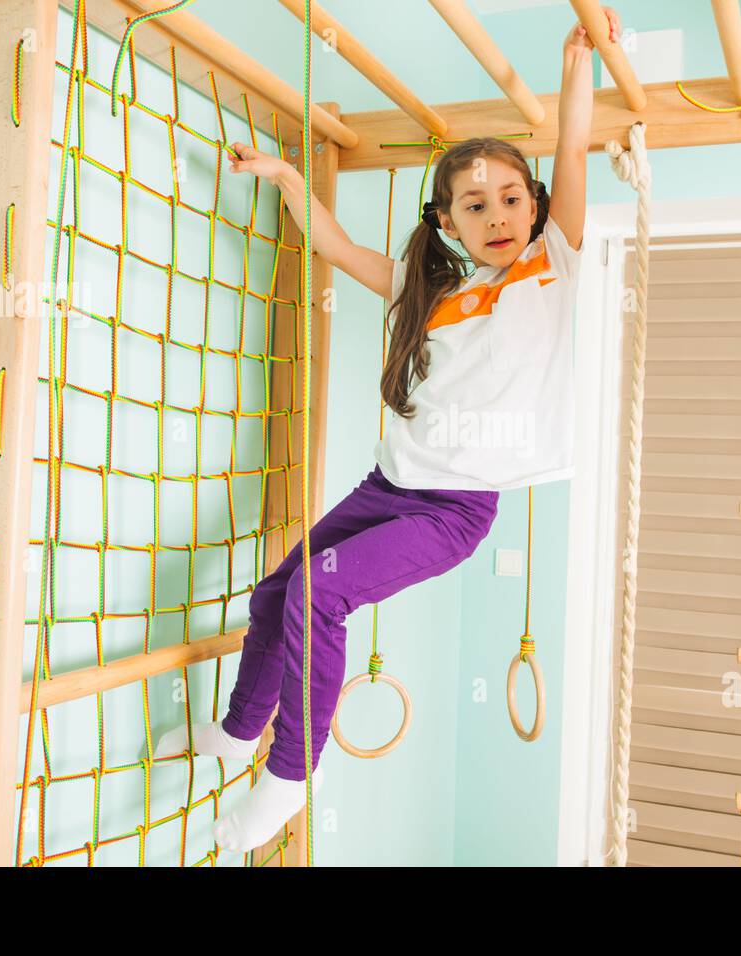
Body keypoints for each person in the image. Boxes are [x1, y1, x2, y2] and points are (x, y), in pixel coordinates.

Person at [149, 7, 617, 856]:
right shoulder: (426, 291)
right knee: (272, 596)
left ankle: (290, 777)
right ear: (448, 223)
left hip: (451, 513)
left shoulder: (553, 266)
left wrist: (577, 64)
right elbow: (333, 246)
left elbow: (574, 150)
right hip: (388, 488)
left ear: (537, 206)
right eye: (476, 205)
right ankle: (236, 730)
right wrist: (292, 180)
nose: (498, 214)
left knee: (318, 597)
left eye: (512, 198)